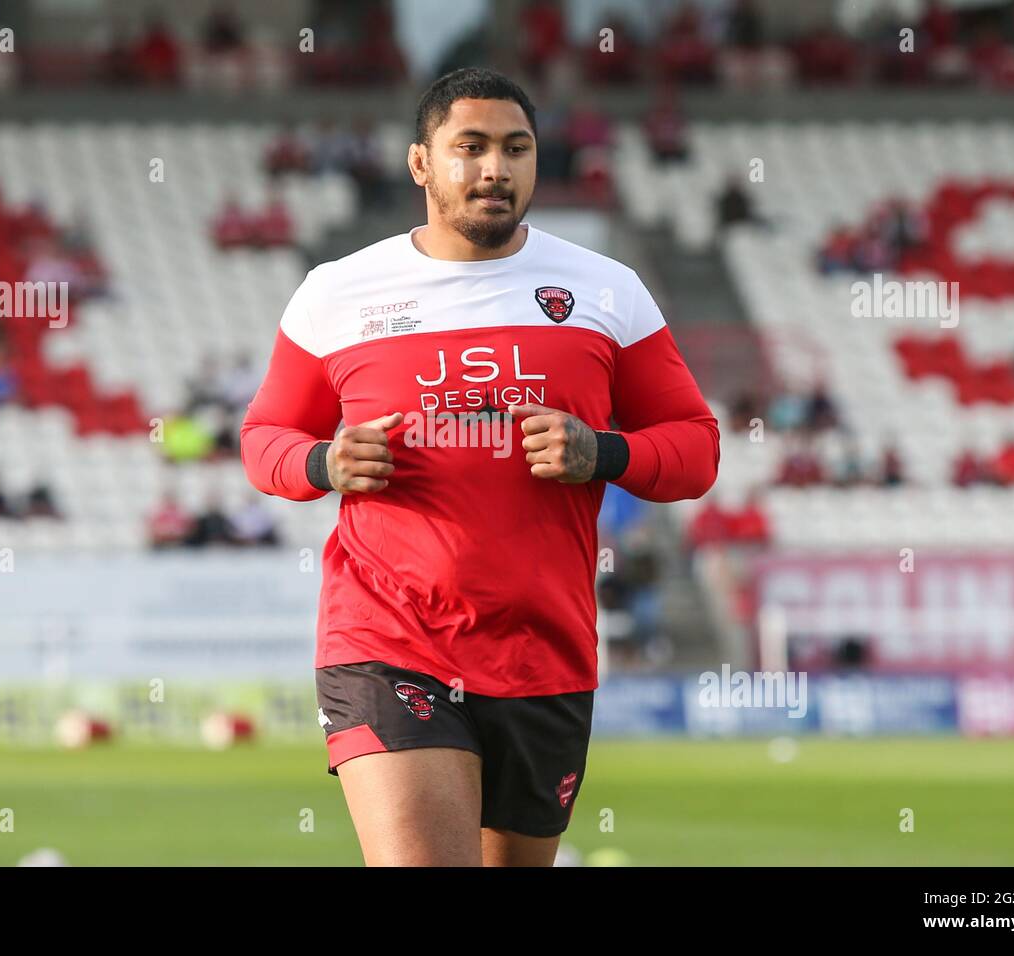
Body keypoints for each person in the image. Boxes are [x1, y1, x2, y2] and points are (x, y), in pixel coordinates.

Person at [240, 69, 719, 867]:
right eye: (470, 147)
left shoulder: (607, 290)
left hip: (545, 653)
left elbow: (696, 447)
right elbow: (264, 438)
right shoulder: (339, 292)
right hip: (389, 641)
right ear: (420, 163)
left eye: (515, 148)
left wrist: (601, 450)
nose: (494, 167)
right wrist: (325, 461)